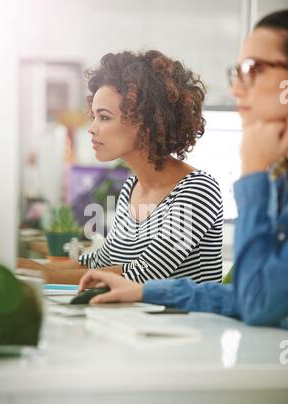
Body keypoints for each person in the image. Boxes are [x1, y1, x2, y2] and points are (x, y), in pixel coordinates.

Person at [79, 10, 288, 330]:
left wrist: (252, 173)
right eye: (238, 72)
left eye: (253, 69)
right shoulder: (279, 185)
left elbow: (257, 303)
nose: (236, 89)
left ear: (144, 120)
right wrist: (144, 292)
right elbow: (241, 297)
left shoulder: (202, 189)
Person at [19, 50, 223, 285]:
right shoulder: (131, 187)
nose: (92, 128)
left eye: (104, 117)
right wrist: (19, 266)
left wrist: (41, 274)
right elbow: (99, 262)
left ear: (146, 122)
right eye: (94, 116)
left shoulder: (198, 190)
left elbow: (142, 274)